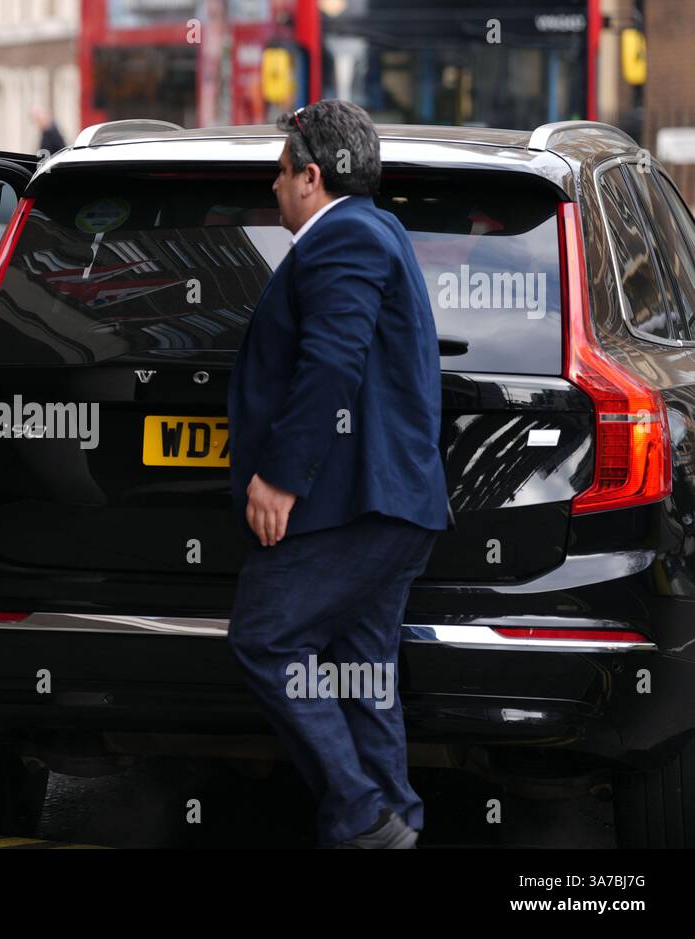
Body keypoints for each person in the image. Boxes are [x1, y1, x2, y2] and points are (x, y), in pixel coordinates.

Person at [225, 100, 449, 847]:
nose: (274, 186)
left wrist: (281, 477)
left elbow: (332, 363)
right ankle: (393, 824)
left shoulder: (344, 235)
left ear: (311, 176)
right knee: (360, 670)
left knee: (265, 638)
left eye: (280, 172)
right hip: (387, 508)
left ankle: (358, 811)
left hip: (349, 504)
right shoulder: (375, 231)